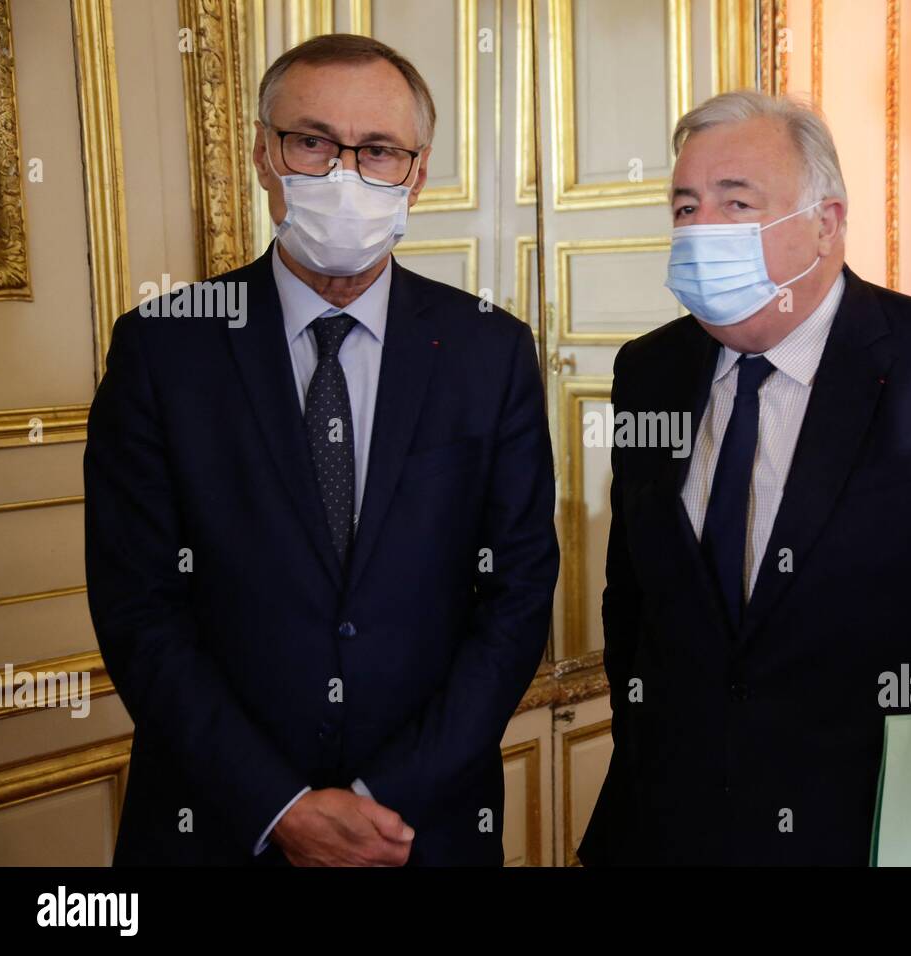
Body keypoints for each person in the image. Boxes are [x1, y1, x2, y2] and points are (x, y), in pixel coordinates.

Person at [579, 90, 911, 866]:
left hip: (884, 835)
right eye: (686, 206)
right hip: (669, 831)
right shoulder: (649, 370)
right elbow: (633, 604)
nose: (702, 231)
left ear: (826, 222)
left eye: (737, 203)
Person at [84, 34, 558, 866]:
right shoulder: (163, 348)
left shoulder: (491, 350)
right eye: (312, 142)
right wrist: (279, 807)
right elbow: (138, 606)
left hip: (422, 828)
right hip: (218, 826)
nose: (343, 174)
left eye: (377, 150)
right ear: (265, 156)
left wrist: (381, 799)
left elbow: (516, 598)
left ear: (416, 170)